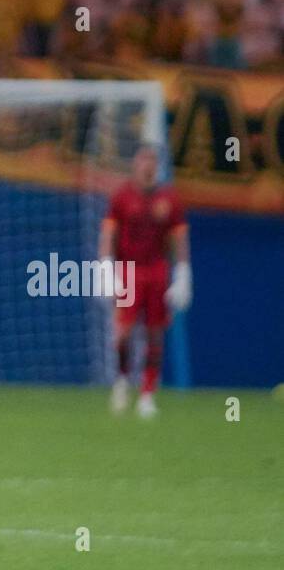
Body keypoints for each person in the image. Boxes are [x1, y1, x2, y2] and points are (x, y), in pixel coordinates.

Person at [98, 145, 191, 418]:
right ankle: (122, 380)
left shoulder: (169, 199)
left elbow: (179, 238)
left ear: (157, 165)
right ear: (135, 163)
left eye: (152, 160)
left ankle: (148, 393)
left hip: (157, 271)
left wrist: (183, 272)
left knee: (154, 332)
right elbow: (108, 234)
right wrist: (105, 267)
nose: (147, 165)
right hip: (128, 270)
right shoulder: (122, 196)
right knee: (123, 331)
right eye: (143, 160)